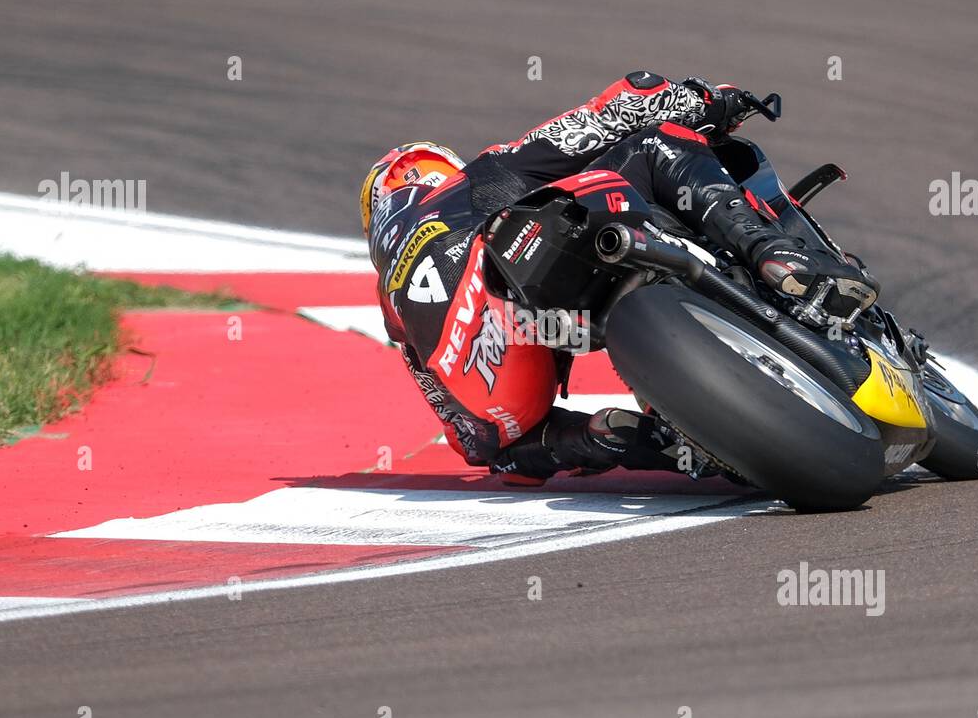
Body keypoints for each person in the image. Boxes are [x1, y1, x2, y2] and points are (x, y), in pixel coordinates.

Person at [360, 71, 871, 484]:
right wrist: (708, 102)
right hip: (537, 268)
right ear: (429, 172)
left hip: (515, 375)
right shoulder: (476, 180)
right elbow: (609, 113)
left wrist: (572, 442)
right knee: (654, 144)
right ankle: (772, 252)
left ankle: (640, 438)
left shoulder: (395, 314)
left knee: (510, 446)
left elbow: (474, 441)